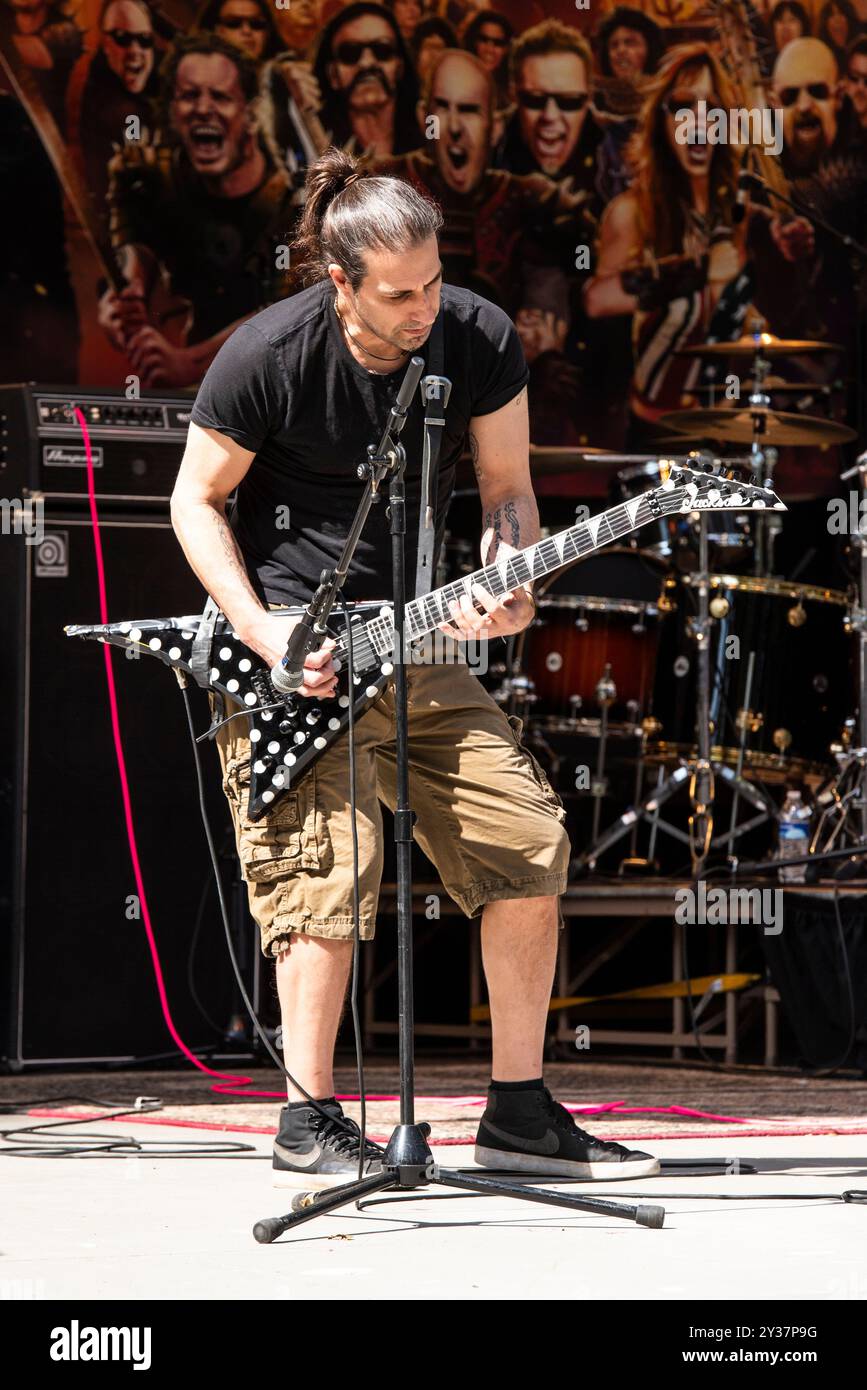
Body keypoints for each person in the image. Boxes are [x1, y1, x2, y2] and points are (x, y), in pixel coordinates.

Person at [170, 147, 661, 1188]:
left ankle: (519, 1108)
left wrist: (507, 570)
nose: (424, 308)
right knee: (327, 876)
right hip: (292, 653)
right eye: (399, 294)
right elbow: (193, 501)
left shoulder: (475, 335)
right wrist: (266, 633)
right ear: (338, 281)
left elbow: (508, 491)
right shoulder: (267, 353)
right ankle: (308, 1117)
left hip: (417, 643)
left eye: (434, 281)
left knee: (527, 840)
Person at [99, 33, 297, 384]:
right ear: (173, 111)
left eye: (220, 96)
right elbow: (136, 245)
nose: (203, 108)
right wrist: (125, 293)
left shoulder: (294, 204)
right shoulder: (151, 179)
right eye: (189, 96)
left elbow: (284, 317)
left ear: (250, 115)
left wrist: (189, 365)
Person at [311, 1, 420, 156]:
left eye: (382, 50)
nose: (367, 63)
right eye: (350, 54)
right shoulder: (315, 151)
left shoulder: (428, 144)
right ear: (333, 74)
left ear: (399, 67)